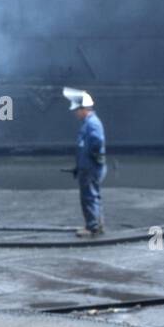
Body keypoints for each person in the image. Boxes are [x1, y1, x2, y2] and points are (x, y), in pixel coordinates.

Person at [63, 88, 106, 237]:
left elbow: (97, 141)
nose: (75, 113)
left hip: (90, 167)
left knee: (88, 197)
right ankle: (97, 224)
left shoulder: (92, 124)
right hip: (88, 166)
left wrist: (90, 160)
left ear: (84, 109)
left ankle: (92, 227)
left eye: (77, 110)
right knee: (94, 196)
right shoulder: (90, 122)